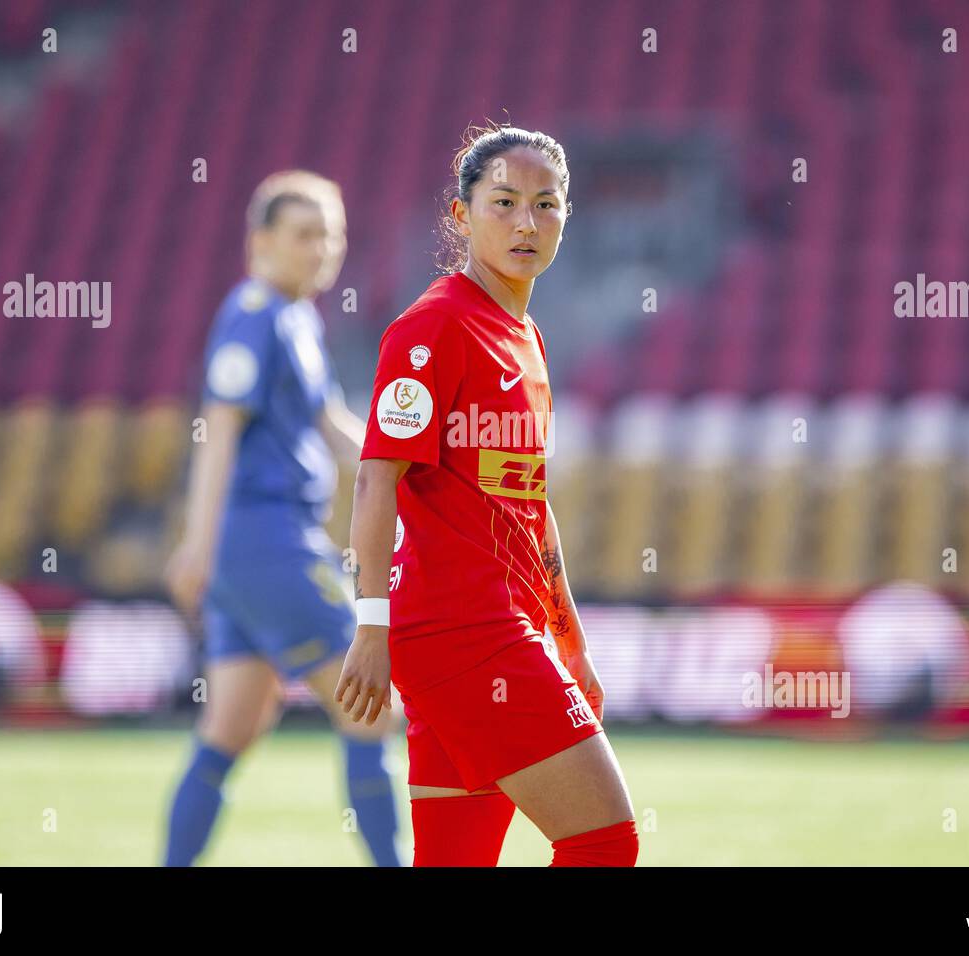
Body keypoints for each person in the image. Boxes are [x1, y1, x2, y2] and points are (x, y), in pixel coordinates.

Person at [335, 125, 637, 866]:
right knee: (606, 842)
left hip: (485, 630)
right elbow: (377, 477)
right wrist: (371, 626)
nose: (527, 223)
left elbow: (529, 507)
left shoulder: (525, 337)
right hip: (465, 630)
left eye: (547, 204)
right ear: (461, 215)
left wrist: (570, 639)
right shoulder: (431, 328)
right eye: (503, 202)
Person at [163, 171, 402, 866]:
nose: (321, 248)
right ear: (261, 242)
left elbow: (330, 423)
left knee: (230, 729)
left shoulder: (296, 318)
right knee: (373, 707)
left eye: (331, 234)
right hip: (266, 543)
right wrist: (197, 545)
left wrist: (413, 473)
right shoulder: (255, 314)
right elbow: (218, 428)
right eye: (304, 234)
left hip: (253, 553)